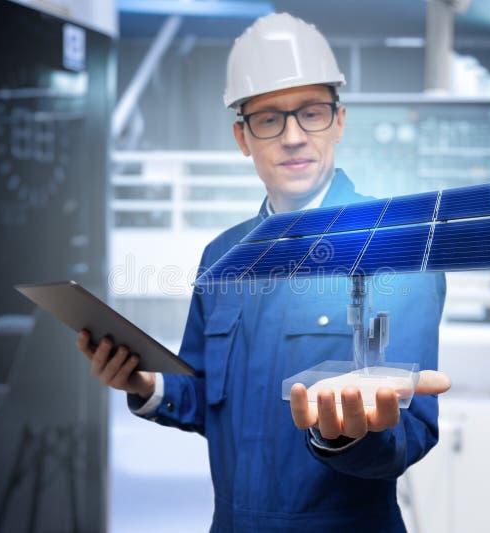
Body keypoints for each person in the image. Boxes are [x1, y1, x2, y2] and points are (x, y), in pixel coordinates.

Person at [77, 12, 451, 532]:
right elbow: (205, 398)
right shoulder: (222, 257)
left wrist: (344, 433)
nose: (294, 137)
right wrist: (144, 381)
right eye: (270, 119)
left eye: (312, 113)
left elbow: (410, 432)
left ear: (339, 121)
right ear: (242, 137)